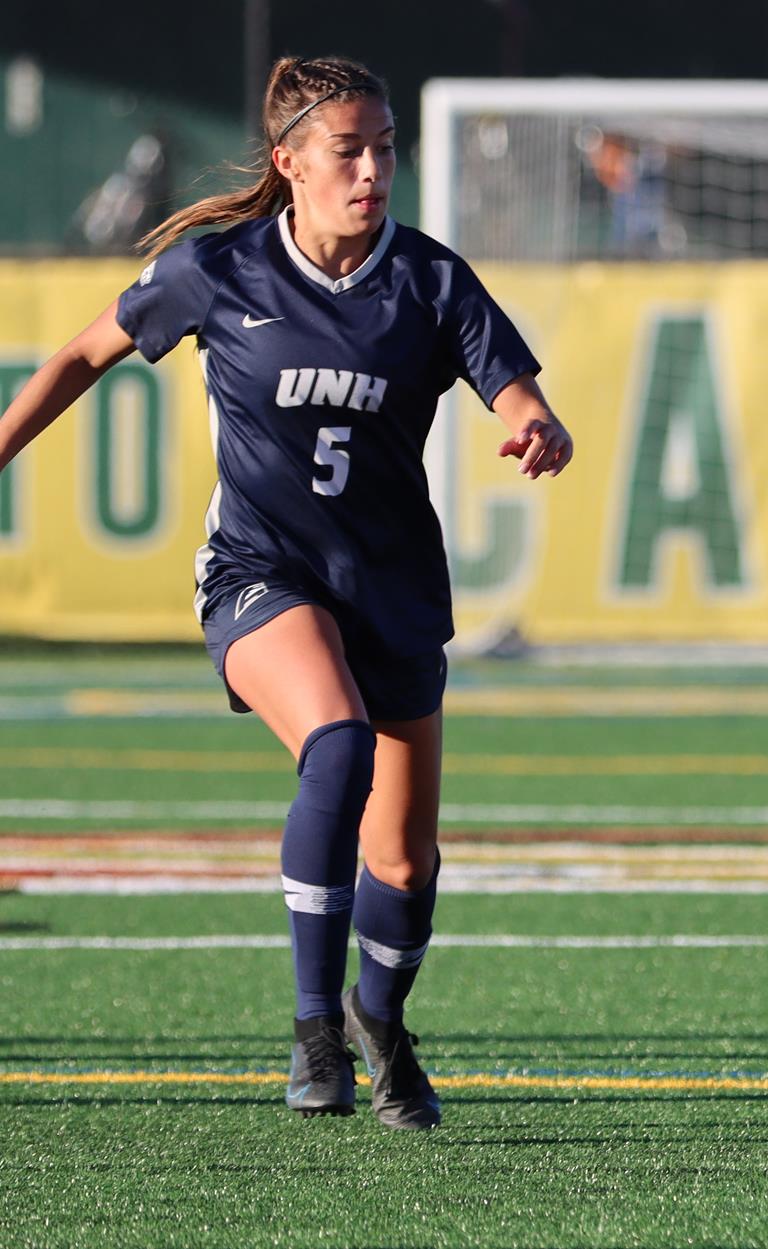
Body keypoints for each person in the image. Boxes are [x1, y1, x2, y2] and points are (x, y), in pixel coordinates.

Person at [0, 56, 573, 1129]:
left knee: (404, 858)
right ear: (290, 163)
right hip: (261, 574)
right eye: (348, 150)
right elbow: (86, 350)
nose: (372, 170)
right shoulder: (218, 271)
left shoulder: (430, 279)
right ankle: (316, 1032)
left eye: (385, 147)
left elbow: (514, 387)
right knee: (338, 742)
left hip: (393, 590)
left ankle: (381, 1021)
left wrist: (535, 422)